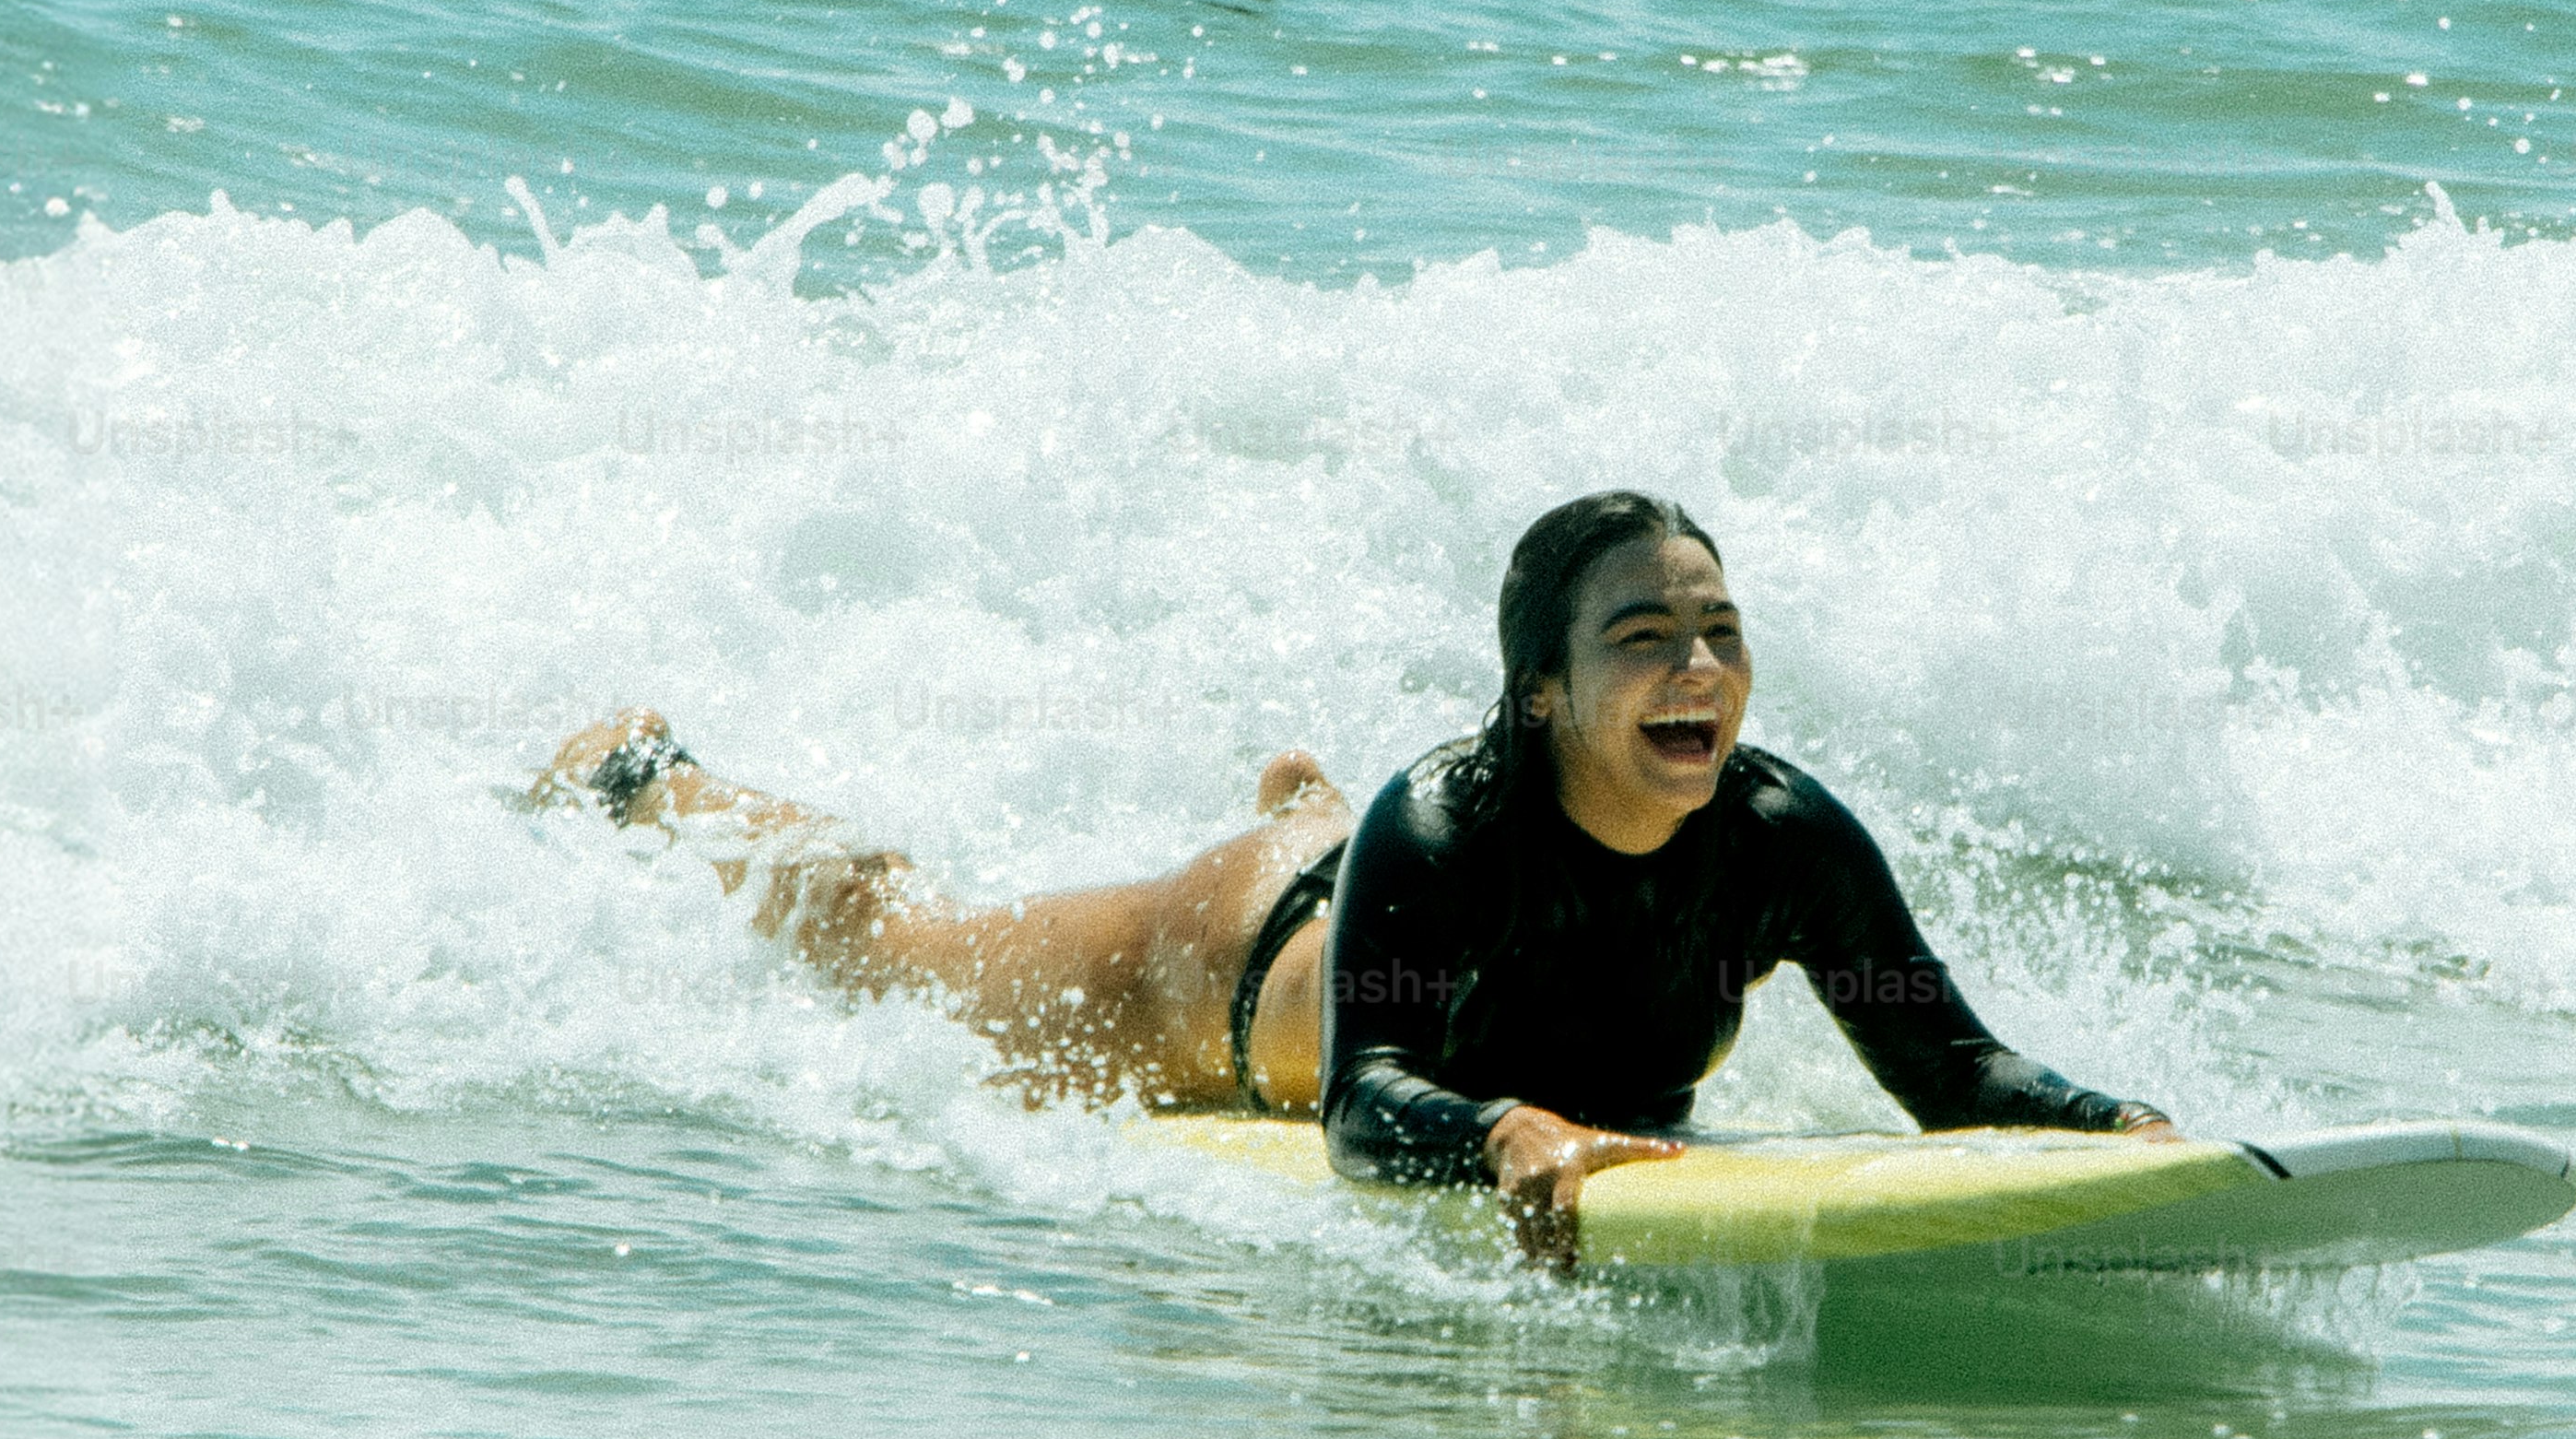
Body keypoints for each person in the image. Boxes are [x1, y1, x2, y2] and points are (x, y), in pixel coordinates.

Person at [533, 489, 2164, 1255]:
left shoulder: (1785, 839)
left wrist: (2113, 1130)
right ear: (1543, 691)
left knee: (1356, 841)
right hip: (1211, 971)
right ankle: (650, 777)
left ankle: (1305, 805)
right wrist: (1504, 1130)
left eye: (1722, 636)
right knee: (886, 933)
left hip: (1368, 881)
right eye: (1645, 639)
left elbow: (1949, 1070)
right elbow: (1365, 1103)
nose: (1699, 670)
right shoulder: (1451, 825)